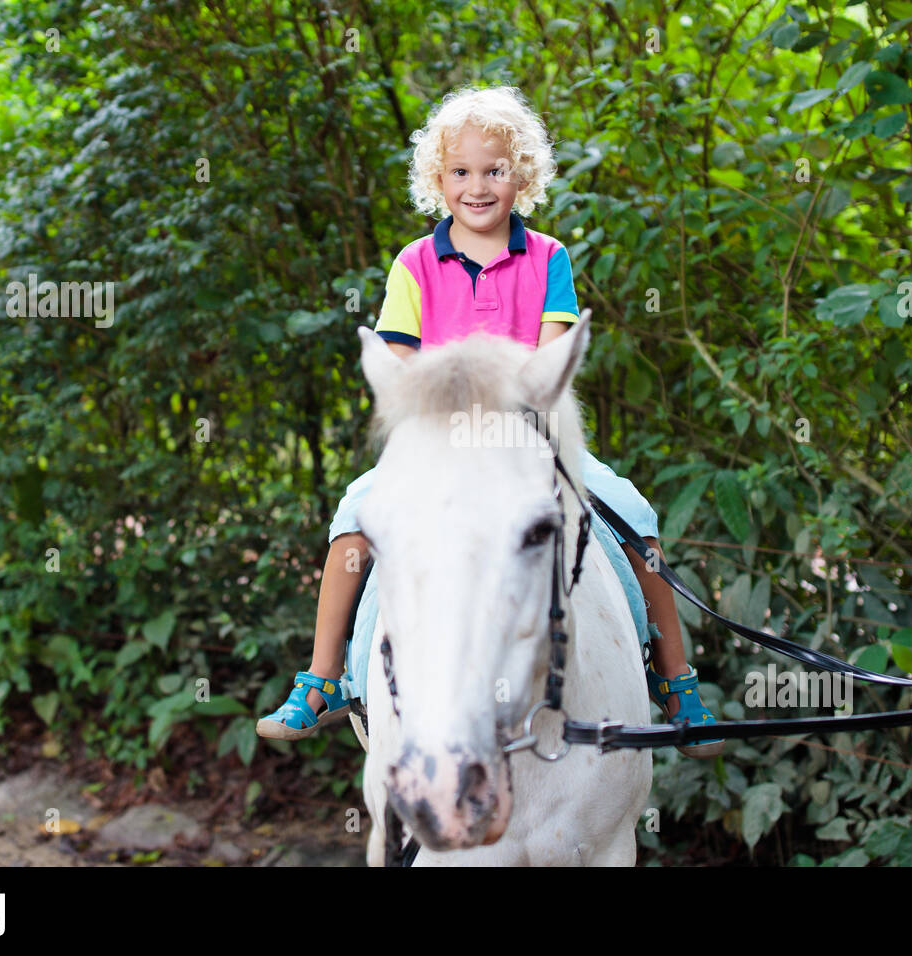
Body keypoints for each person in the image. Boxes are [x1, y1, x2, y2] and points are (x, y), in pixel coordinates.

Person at [257, 86, 722, 757]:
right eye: (461, 172)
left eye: (495, 170)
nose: (478, 187)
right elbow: (400, 366)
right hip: (441, 445)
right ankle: (323, 675)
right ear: (439, 181)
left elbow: (551, 352)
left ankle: (676, 683)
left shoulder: (548, 258)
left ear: (521, 177)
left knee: (632, 512)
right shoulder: (414, 264)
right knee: (353, 516)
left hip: (525, 439)